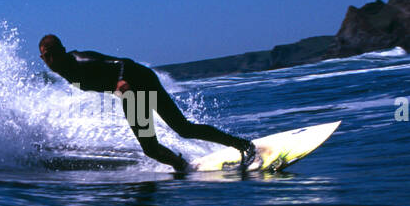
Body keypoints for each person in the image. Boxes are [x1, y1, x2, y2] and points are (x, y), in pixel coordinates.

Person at [38, 34, 255, 172]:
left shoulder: (81, 61)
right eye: (45, 57)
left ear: (62, 51)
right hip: (130, 96)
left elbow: (123, 63)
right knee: (150, 149)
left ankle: (243, 145)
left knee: (183, 129)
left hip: (141, 81)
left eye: (52, 54)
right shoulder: (64, 71)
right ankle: (183, 167)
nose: (50, 60)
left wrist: (121, 80)